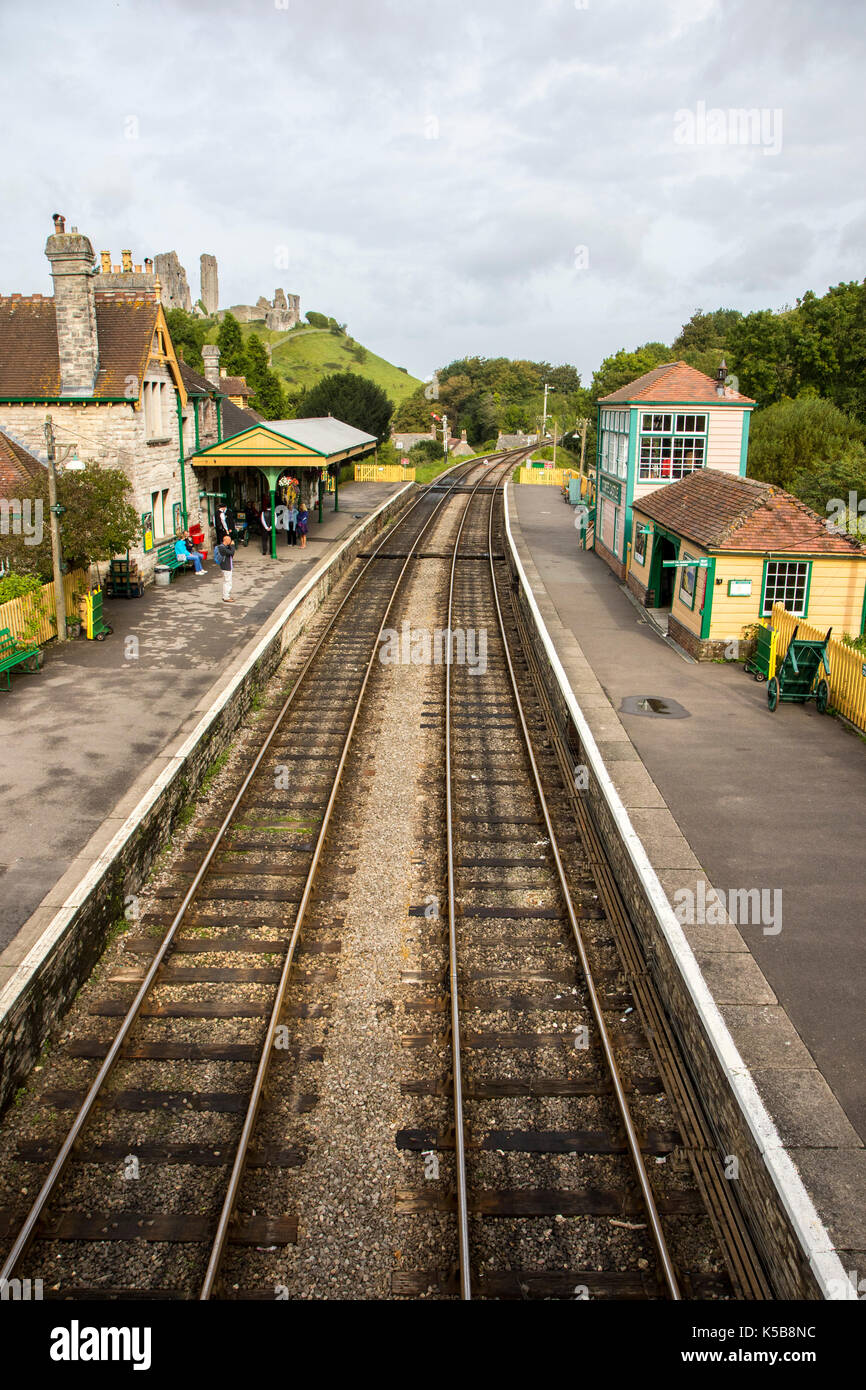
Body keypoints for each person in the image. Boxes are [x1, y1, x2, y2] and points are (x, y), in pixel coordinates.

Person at [215, 536, 236, 602]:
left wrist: (230, 546)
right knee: (228, 582)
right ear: (226, 540)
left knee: (226, 581)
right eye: (229, 540)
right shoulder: (222, 548)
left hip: (226, 566)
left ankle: (226, 596)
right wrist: (232, 545)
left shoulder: (224, 547)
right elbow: (231, 553)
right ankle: (226, 597)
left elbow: (231, 554)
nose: (230, 541)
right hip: (226, 567)